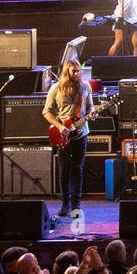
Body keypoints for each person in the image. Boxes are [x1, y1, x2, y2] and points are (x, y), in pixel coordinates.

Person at [42, 60, 94, 219]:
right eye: (74, 71)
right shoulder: (55, 88)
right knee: (64, 169)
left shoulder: (85, 87)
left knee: (77, 169)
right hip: (63, 134)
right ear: (66, 71)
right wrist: (59, 126)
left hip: (81, 133)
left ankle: (76, 205)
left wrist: (92, 112)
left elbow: (90, 106)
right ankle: (65, 203)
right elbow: (46, 112)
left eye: (79, 71)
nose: (77, 74)